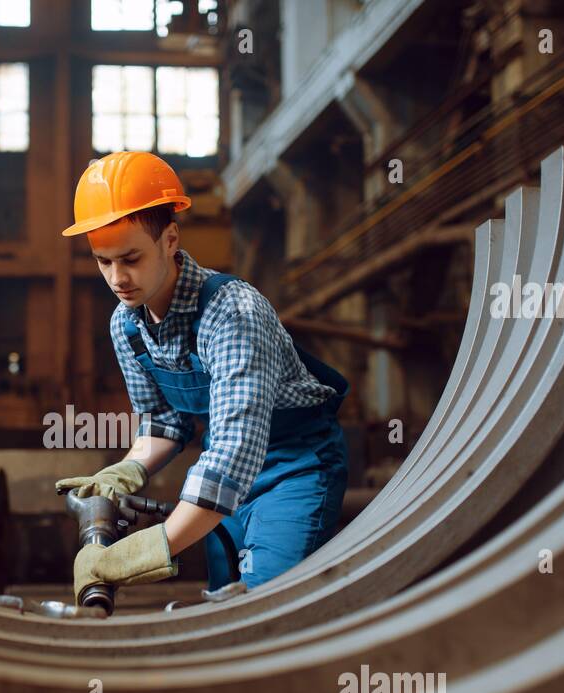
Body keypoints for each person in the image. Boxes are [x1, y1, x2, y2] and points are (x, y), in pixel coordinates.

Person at [57, 151, 350, 604]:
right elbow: (163, 421)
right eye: (104, 261)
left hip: (292, 469)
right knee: (223, 607)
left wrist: (142, 553)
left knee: (270, 606)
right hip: (219, 478)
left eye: (131, 258)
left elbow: (235, 452)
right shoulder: (126, 325)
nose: (118, 278)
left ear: (170, 239)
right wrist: (127, 470)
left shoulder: (232, 313)